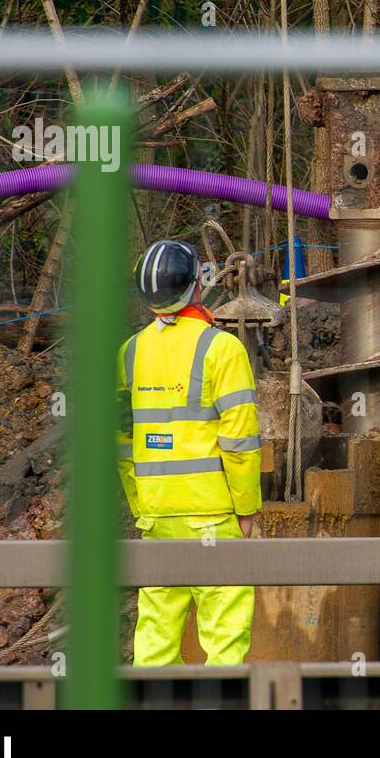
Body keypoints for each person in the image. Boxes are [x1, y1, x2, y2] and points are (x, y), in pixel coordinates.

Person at [116, 240, 262, 665]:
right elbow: (239, 440)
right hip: (213, 513)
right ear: (198, 284)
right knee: (224, 631)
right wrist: (247, 506)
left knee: (157, 632)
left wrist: (143, 502)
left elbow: (121, 441)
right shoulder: (223, 349)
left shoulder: (130, 353)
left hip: (158, 513)